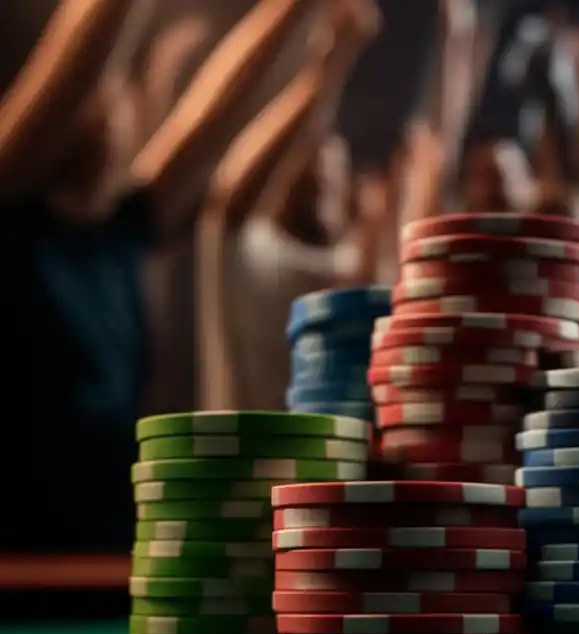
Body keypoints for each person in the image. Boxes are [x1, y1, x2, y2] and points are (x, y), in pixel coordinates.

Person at [5, 0, 325, 550]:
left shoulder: (122, 233)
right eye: (96, 84)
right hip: (19, 559)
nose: (113, 98)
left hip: (111, 553)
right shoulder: (12, 212)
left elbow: (217, 113)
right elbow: (72, 58)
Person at [198, 0, 383, 411]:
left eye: (332, 167)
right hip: (246, 472)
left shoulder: (355, 272)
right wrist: (328, 67)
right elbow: (230, 193)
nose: (319, 172)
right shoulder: (251, 258)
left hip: (335, 474)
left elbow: (432, 146)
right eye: (306, 166)